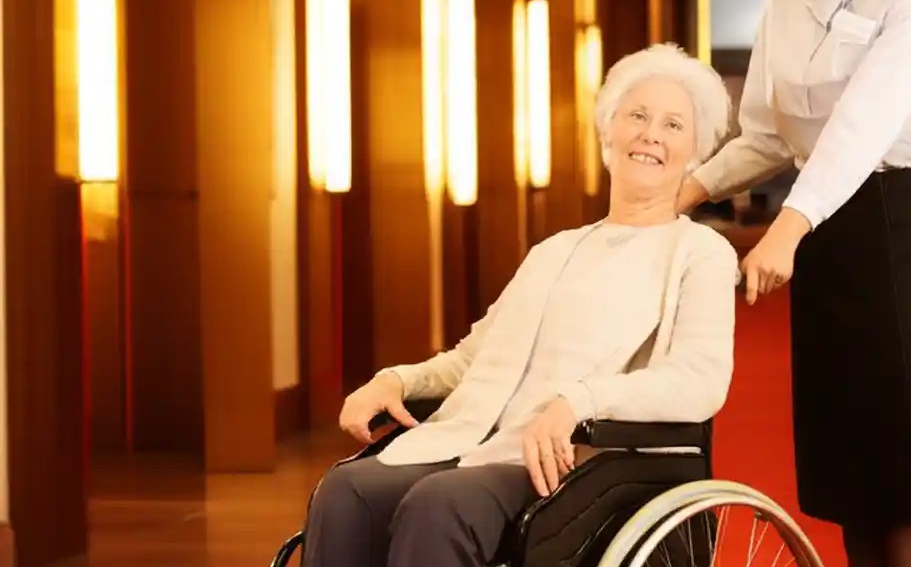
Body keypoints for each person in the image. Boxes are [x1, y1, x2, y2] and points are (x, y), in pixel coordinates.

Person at [300, 43, 738, 567]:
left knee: (440, 505)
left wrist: (580, 399)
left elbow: (699, 379)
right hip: (477, 440)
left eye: (672, 125)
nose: (650, 135)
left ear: (695, 152)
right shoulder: (555, 250)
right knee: (349, 490)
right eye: (637, 116)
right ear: (609, 133)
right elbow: (472, 359)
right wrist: (397, 380)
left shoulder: (698, 252)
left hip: (579, 462)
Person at [675, 0, 911, 565]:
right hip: (827, 237)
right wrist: (684, 191)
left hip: (905, 227)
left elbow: (863, 124)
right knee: (853, 472)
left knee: (905, 479)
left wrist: (786, 228)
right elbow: (766, 135)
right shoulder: (787, 1)